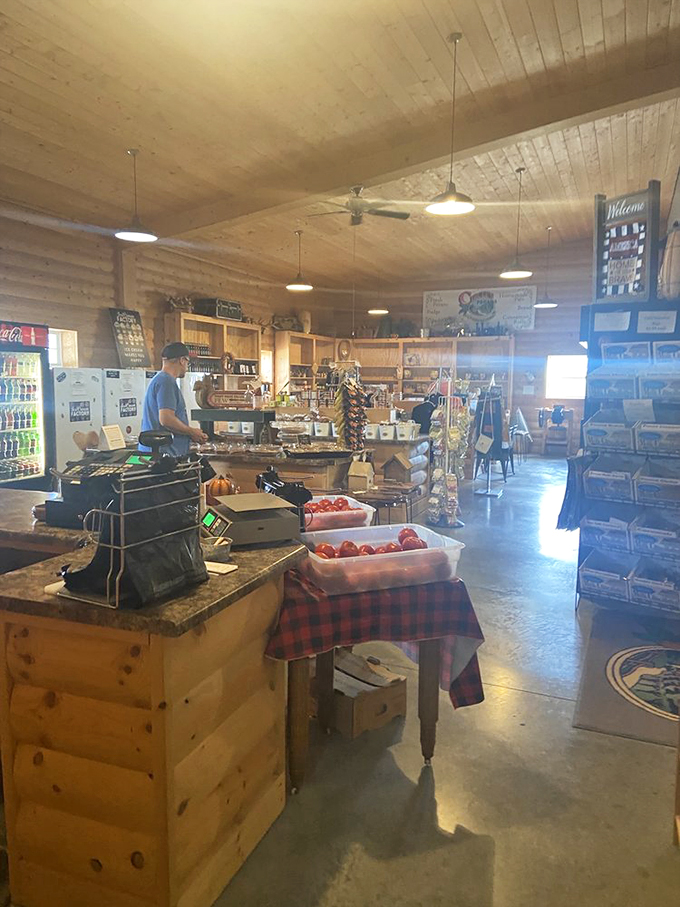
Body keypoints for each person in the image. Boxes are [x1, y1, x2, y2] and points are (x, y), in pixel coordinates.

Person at [140, 341, 207, 456]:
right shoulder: (166, 382)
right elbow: (166, 419)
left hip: (159, 453)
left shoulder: (160, 380)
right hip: (164, 455)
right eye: (187, 362)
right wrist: (191, 432)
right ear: (182, 360)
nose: (186, 367)